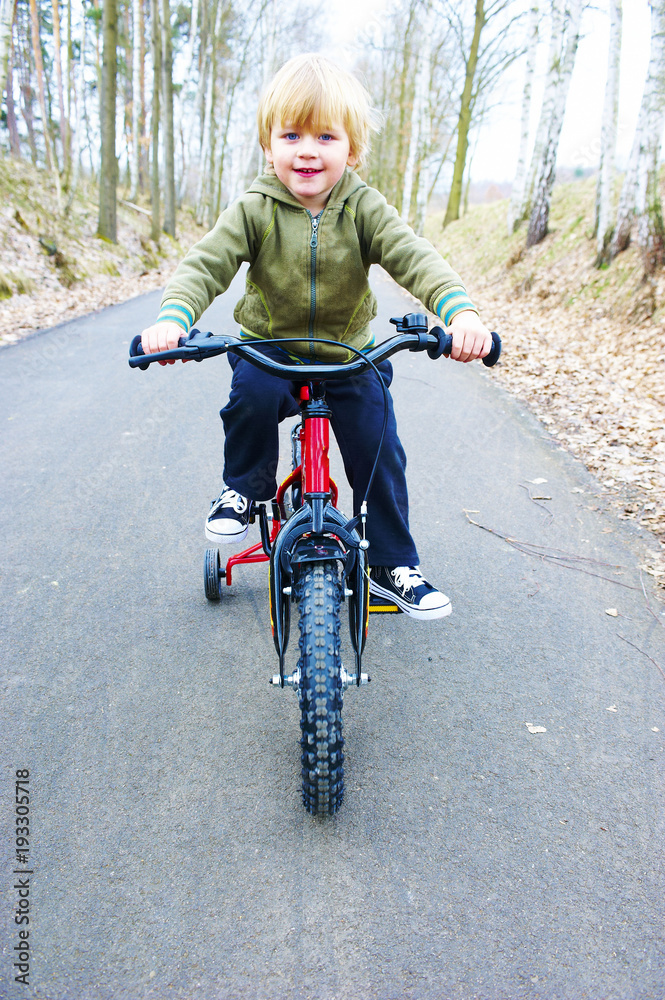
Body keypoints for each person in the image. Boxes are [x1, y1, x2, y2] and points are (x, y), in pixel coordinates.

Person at [140, 53, 492, 621]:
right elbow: (205, 264)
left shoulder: (363, 208)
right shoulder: (254, 208)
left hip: (349, 354)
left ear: (351, 150)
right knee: (250, 398)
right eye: (291, 134)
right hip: (269, 348)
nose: (307, 149)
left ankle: (393, 566)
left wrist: (461, 314)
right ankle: (244, 488)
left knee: (378, 439)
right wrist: (173, 319)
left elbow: (414, 257)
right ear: (268, 144)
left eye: (326, 136)